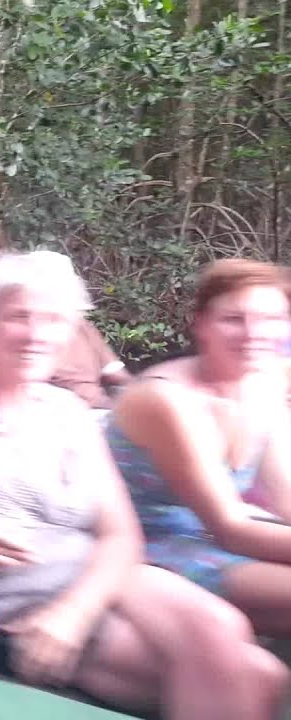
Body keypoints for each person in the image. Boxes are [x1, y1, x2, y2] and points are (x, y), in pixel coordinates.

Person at [0, 251, 286, 719]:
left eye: (55, 320)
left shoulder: (67, 411)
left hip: (89, 582)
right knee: (253, 674)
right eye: (20, 317)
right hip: (6, 604)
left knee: (224, 627)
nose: (38, 335)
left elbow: (122, 535)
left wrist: (75, 612)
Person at [107, 259, 291, 637]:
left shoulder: (266, 384)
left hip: (218, 537)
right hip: (147, 546)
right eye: (234, 319)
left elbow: (285, 501)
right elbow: (230, 529)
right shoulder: (167, 398)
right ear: (201, 323)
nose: (254, 333)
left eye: (272, 318)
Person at [51, 318, 132, 410]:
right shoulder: (37, 333)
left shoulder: (82, 326)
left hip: (101, 407)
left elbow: (116, 373)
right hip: (65, 409)